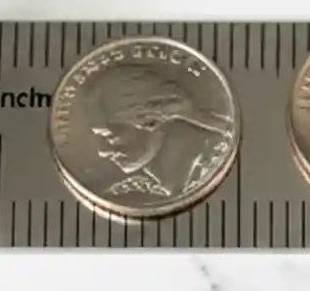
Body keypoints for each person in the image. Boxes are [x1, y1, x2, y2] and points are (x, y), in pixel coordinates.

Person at [86, 65, 233, 199]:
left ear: (151, 120)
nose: (102, 151)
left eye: (111, 136)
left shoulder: (212, 157)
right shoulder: (154, 183)